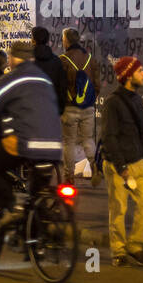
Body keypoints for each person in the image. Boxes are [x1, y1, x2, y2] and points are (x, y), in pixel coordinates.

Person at [0, 41, 63, 227]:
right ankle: (37, 241)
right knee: (36, 198)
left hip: (26, 143)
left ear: (12, 58)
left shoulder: (12, 79)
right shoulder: (44, 79)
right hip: (54, 146)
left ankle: (9, 206)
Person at [101, 56, 143, 267]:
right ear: (128, 74)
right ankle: (119, 251)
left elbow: (142, 132)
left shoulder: (137, 99)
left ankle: (136, 245)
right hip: (119, 166)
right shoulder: (112, 103)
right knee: (118, 209)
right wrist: (121, 167)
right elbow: (109, 137)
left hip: (139, 162)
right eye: (140, 70)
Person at [59, 28, 100, 184]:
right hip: (88, 107)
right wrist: (89, 100)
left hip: (70, 107)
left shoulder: (63, 59)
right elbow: (97, 85)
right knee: (88, 139)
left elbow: (60, 85)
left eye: (63, 39)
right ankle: (94, 166)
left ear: (67, 41)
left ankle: (69, 177)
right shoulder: (90, 58)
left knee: (68, 142)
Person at [31, 26, 68, 111]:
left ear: (33, 41)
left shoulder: (27, 61)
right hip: (52, 108)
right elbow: (62, 87)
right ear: (47, 40)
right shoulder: (57, 61)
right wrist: (60, 109)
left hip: (31, 110)